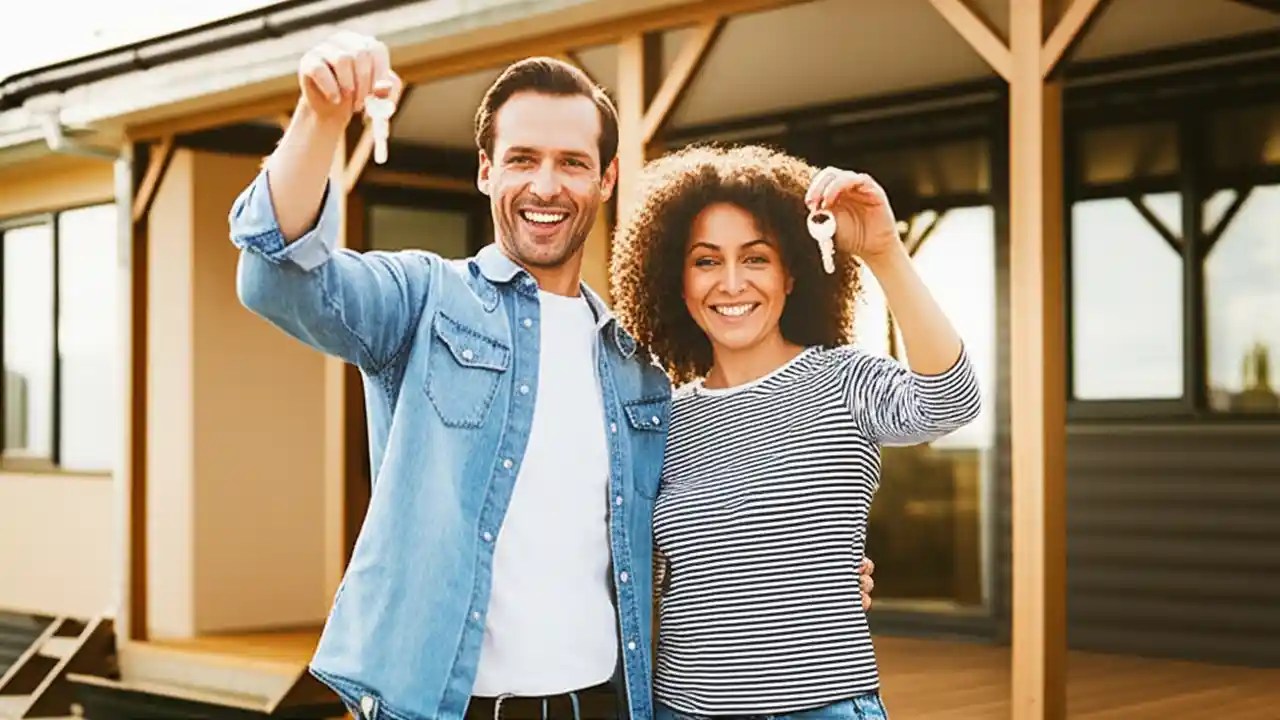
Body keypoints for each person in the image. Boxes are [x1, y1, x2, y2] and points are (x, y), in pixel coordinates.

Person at [610, 144, 982, 720]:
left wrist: (885, 253)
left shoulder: (842, 382)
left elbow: (950, 399)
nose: (731, 283)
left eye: (755, 258)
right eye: (706, 261)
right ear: (676, 282)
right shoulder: (663, 419)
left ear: (791, 274)